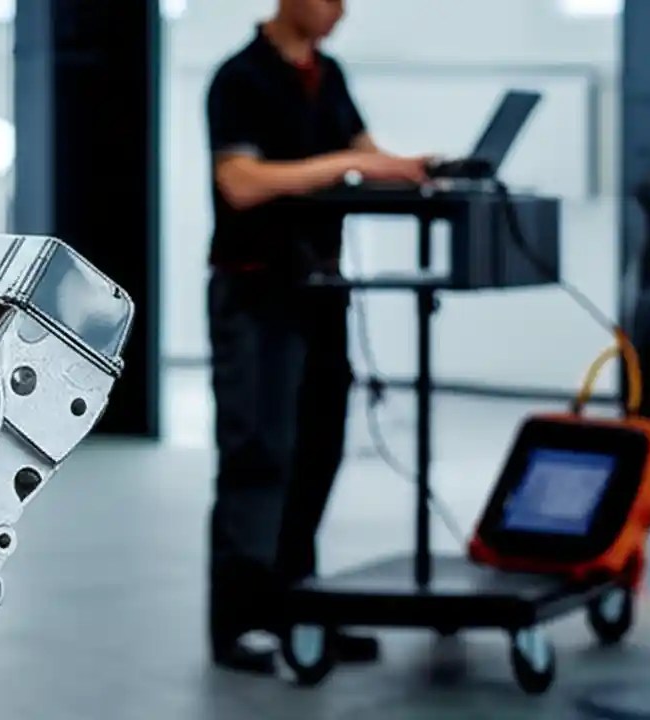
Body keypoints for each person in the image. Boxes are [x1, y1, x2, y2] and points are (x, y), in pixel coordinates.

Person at [205, 0, 432, 674]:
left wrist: (417, 168)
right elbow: (240, 183)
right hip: (256, 294)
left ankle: (299, 608)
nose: (342, 10)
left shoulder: (328, 76)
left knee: (316, 452)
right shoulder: (239, 78)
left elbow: (365, 155)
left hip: (321, 294)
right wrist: (337, 166)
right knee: (259, 457)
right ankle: (241, 624)